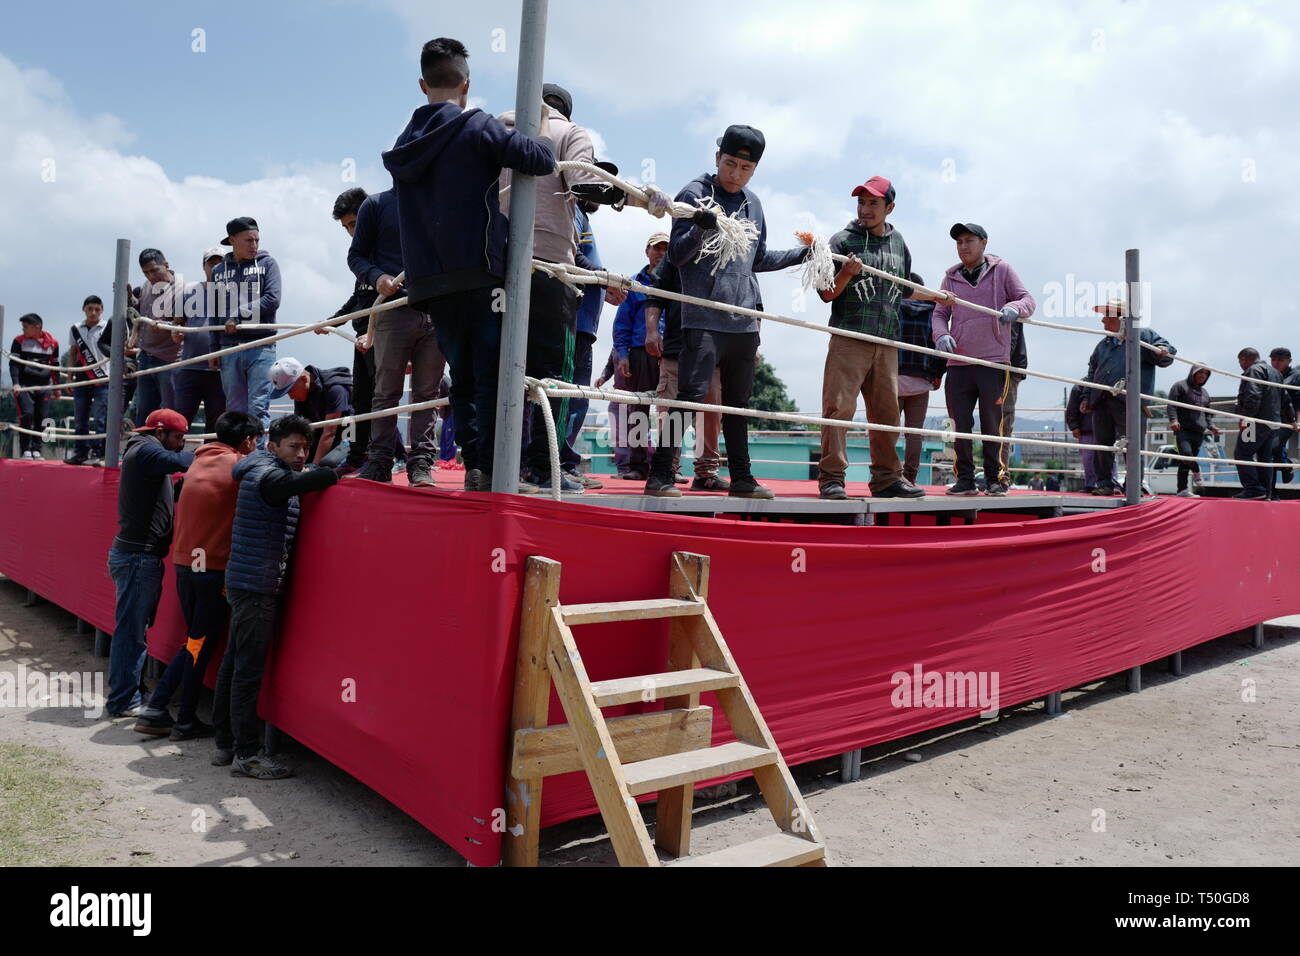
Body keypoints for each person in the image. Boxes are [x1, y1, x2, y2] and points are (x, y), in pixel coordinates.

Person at [382, 37, 556, 493]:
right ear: (466, 84)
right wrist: (531, 127)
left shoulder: (404, 145)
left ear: (423, 84)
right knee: (493, 375)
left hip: (429, 284)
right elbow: (540, 159)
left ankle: (477, 466)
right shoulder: (477, 126)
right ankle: (494, 470)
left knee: (461, 376)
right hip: (479, 273)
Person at [499, 89, 660, 493]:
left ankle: (498, 465)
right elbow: (589, 191)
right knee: (554, 385)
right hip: (556, 290)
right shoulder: (569, 142)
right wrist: (640, 198)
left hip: (496, 274)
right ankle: (540, 466)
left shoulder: (494, 133)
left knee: (507, 375)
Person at [645, 124, 811, 499]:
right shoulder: (694, 194)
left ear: (754, 170)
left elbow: (759, 257)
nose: (735, 174)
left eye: (745, 169)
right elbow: (676, 257)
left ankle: (742, 479)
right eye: (730, 164)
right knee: (687, 397)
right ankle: (659, 476)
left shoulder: (754, 203)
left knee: (738, 405)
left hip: (744, 319)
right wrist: (700, 230)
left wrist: (804, 254)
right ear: (718, 157)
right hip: (703, 317)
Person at [212, 414, 338, 779]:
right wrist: (332, 470)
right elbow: (297, 482)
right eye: (293, 447)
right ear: (272, 446)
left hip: (246, 582)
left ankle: (226, 745)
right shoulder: (267, 474)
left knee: (235, 664)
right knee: (246, 671)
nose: (301, 454)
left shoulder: (258, 467)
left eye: (305, 447)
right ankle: (247, 755)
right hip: (255, 586)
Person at [132, 411, 262, 738]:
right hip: (212, 569)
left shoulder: (198, 461)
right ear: (247, 441)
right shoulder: (239, 465)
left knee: (196, 641)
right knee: (197, 643)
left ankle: (182, 715)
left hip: (186, 565)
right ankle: (159, 707)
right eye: (256, 441)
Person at [815, 179, 933, 500]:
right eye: (861, 203)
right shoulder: (841, 241)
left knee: (887, 415)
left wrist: (938, 297)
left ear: (889, 208)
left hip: (887, 340)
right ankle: (832, 478)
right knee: (838, 408)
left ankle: (886, 479)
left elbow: (905, 287)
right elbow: (827, 293)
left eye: (873, 204)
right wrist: (847, 274)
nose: (865, 210)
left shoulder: (899, 243)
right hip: (850, 337)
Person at [348, 184, 444, 487]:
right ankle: (379, 461)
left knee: (427, 393)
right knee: (386, 391)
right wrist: (378, 278)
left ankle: (421, 463)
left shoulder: (442, 201)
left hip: (438, 308)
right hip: (393, 309)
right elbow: (356, 256)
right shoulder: (375, 205)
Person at [931, 223, 1036, 497]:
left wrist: (1013, 307)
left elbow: (1028, 300)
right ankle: (964, 479)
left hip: (993, 361)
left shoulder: (1002, 270)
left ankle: (995, 479)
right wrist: (941, 335)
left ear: (984, 243)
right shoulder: (950, 278)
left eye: (969, 241)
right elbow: (939, 314)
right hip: (958, 361)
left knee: (993, 422)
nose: (963, 247)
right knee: (958, 423)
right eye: (959, 242)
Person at [105, 409, 194, 718]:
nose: (182, 444)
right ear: (159, 433)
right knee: (132, 631)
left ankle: (130, 693)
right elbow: (184, 462)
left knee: (134, 629)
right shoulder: (146, 450)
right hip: (138, 557)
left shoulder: (143, 451)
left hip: (138, 556)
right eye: (178, 437)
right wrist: (217, 452)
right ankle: (124, 699)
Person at [1081, 298, 1175, 496]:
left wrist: (1163, 353)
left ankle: (1133, 483)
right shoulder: (1103, 345)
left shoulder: (1143, 336)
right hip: (1102, 400)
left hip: (1129, 401)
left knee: (1132, 443)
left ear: (1121, 317)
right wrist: (1087, 397)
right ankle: (1104, 483)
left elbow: (1166, 352)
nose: (1103, 321)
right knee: (1102, 445)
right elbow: (1091, 371)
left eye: (1107, 316)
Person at [645, 254, 723, 488]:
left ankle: (707, 474)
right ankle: (666, 469)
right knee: (668, 412)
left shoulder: (725, 254)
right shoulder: (675, 255)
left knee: (710, 416)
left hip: (713, 351)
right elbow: (655, 296)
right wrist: (651, 331)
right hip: (676, 349)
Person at [212, 216, 281, 447]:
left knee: (258, 407)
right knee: (235, 409)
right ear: (232, 240)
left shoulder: (268, 264)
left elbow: (273, 299)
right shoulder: (219, 270)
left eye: (256, 240)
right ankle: (236, 456)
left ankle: (258, 456)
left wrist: (239, 313)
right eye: (248, 240)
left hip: (260, 346)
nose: (254, 245)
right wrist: (214, 349)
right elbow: (215, 311)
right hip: (228, 347)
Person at [328, 188, 381, 476]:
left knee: (381, 399)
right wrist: (332, 322)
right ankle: (358, 456)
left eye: (355, 224)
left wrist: (373, 332)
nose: (351, 231)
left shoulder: (389, 247)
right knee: (360, 400)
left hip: (384, 335)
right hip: (361, 338)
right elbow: (358, 298)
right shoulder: (359, 255)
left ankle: (379, 457)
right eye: (346, 227)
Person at [611, 234, 669, 480]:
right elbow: (621, 324)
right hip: (639, 352)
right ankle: (638, 466)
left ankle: (668, 468)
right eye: (657, 248)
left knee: (672, 410)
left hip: (671, 353)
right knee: (638, 410)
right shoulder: (634, 284)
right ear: (647, 251)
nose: (661, 253)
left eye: (666, 249)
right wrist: (622, 355)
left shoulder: (678, 284)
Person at [895, 272, 948, 487]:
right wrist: (937, 375)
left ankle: (889, 475)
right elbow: (940, 346)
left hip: (893, 378)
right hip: (921, 380)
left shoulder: (893, 308)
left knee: (887, 432)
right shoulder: (934, 313)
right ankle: (910, 478)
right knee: (914, 433)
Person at [170, 248, 228, 434]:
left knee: (217, 419)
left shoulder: (232, 292)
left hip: (220, 368)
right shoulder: (189, 290)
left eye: (221, 263)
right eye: (212, 263)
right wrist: (176, 333)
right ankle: (173, 457)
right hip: (190, 365)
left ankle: (209, 459)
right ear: (204, 267)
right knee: (181, 417)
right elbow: (177, 323)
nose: (216, 267)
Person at [268, 357, 353, 465]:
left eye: (291, 390)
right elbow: (300, 430)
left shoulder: (335, 389)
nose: (291, 397)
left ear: (304, 379)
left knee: (328, 462)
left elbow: (329, 434)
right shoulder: (302, 394)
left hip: (349, 436)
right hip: (322, 436)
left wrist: (313, 468)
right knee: (287, 460)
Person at [133, 248, 183, 425]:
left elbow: (184, 325)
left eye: (154, 270)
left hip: (169, 359)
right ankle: (143, 448)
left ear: (166, 265)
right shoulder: (146, 286)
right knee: (143, 409)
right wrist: (131, 302)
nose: (151, 276)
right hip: (146, 355)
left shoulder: (182, 289)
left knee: (170, 410)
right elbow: (141, 310)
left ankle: (171, 450)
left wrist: (165, 326)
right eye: (146, 272)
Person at [1232, 347, 1284, 500]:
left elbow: (1253, 396)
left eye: (1240, 362)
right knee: (1265, 457)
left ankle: (1254, 489)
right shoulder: (1276, 373)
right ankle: (1265, 492)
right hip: (1273, 422)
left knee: (1242, 453)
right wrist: (1292, 420)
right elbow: (1285, 398)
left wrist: (1245, 418)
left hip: (1256, 421)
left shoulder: (1254, 370)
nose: (1241, 365)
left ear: (1243, 359)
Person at [8, 314, 60, 459]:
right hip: (25, 386)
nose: (23, 329)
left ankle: (37, 449)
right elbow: (14, 364)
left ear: (37, 327)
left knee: (42, 417)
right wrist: (16, 383)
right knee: (27, 414)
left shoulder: (52, 343)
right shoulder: (19, 341)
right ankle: (25, 449)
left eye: (26, 326)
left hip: (44, 386)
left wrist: (57, 387)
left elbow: (55, 366)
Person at [67, 295, 111, 465]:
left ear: (102, 310)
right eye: (90, 309)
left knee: (101, 418)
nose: (93, 312)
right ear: (84, 309)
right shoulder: (75, 328)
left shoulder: (107, 326)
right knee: (80, 417)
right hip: (82, 377)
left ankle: (99, 453)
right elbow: (72, 353)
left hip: (104, 376)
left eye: (97, 309)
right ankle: (80, 452)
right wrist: (70, 377)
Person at [1166, 365, 1218, 496]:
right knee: (1186, 455)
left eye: (1206, 374)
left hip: (1199, 431)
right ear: (1193, 373)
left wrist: (1211, 426)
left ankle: (1182, 490)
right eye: (1200, 372)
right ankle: (1196, 469)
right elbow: (1171, 405)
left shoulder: (1205, 393)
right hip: (1182, 429)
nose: (1202, 375)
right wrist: (1173, 420)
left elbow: (1207, 413)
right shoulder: (1180, 386)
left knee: (1184, 462)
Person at [1269, 347, 1299, 485]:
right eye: (1273, 359)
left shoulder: (1295, 375)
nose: (1276, 363)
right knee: (1268, 449)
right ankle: (1286, 467)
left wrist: (1298, 421)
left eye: (1280, 360)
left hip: (1289, 418)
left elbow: (1298, 399)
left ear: (1289, 361)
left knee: (1273, 446)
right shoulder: (1270, 374)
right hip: (1273, 417)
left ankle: (1286, 465)